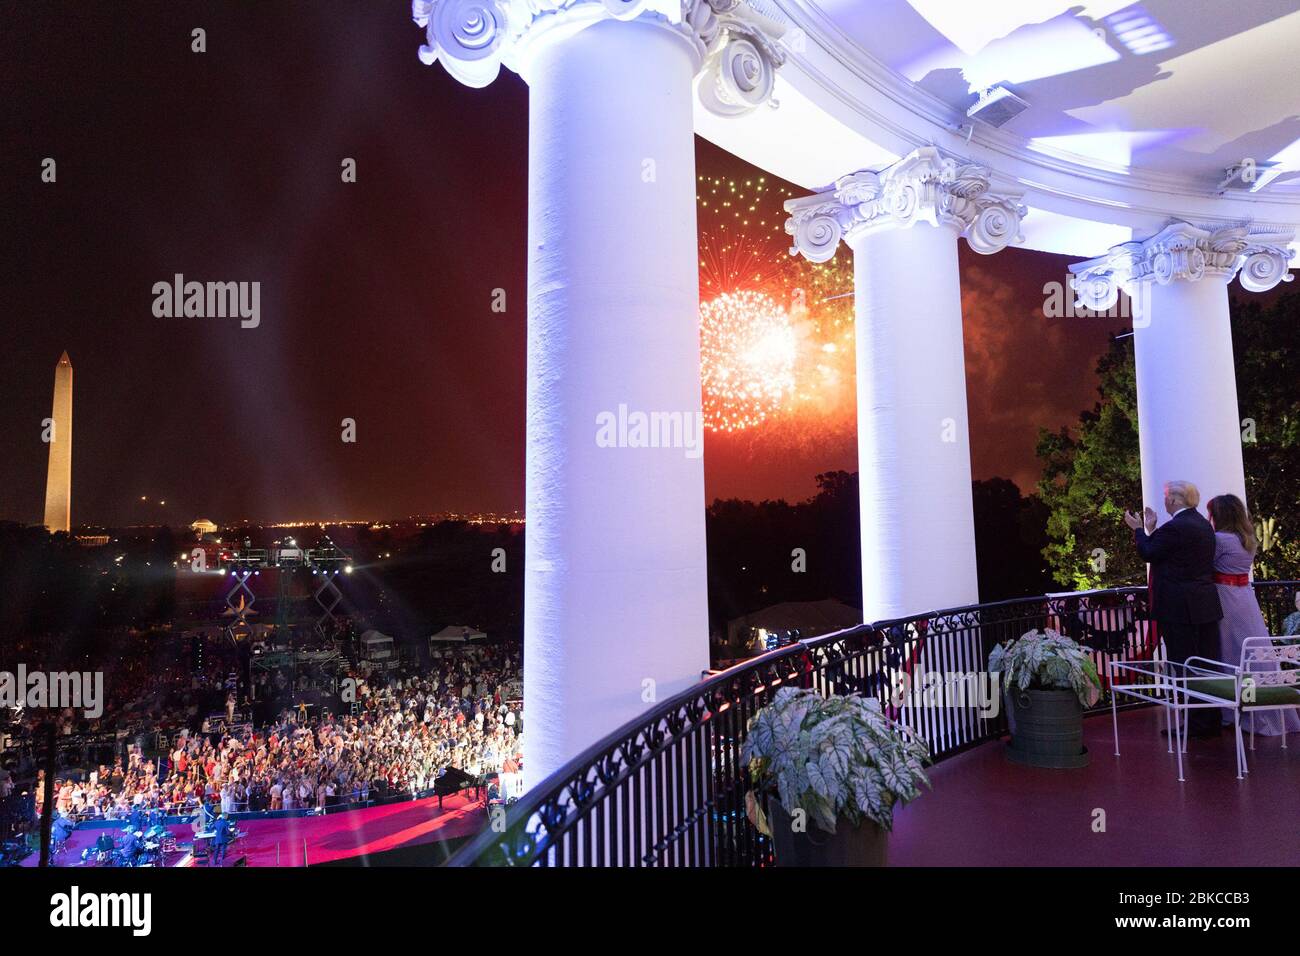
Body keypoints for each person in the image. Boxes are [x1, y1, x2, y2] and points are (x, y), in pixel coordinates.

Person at [1125, 479, 1223, 737]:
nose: (1165, 500)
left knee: (1185, 665)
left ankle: (1196, 725)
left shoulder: (1176, 527)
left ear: (1175, 500)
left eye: (1167, 496)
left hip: (1179, 607)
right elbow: (1168, 551)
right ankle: (1210, 720)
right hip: (1204, 604)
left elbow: (1149, 552)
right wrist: (1151, 529)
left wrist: (1137, 530)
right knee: (1206, 664)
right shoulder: (1202, 524)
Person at [1208, 494, 1300, 736]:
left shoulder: (1220, 540)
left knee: (1230, 652)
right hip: (1245, 598)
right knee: (1253, 652)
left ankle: (1236, 710)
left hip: (1225, 598)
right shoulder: (1246, 538)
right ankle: (1263, 707)